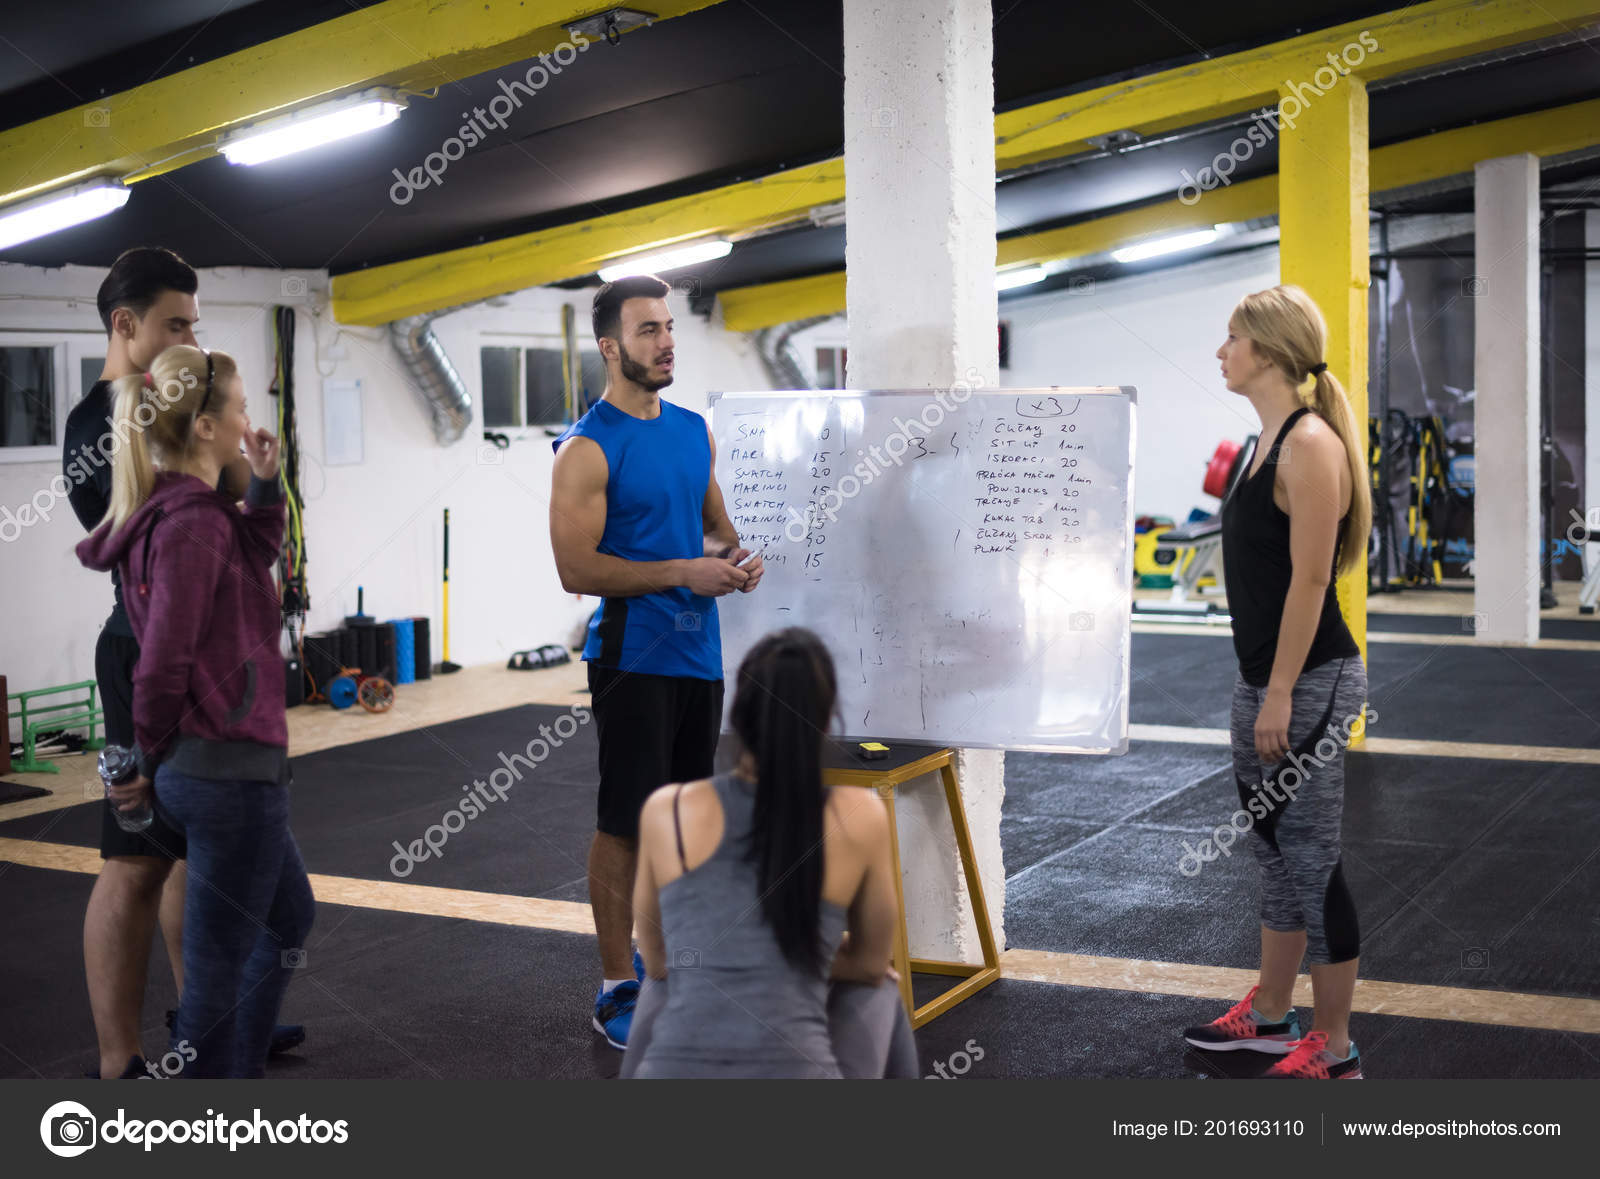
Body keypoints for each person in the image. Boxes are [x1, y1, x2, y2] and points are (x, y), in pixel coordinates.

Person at [63, 248, 301, 1079]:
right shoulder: (110, 433)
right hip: (153, 659)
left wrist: (254, 480)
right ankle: (127, 1056)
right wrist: (142, 755)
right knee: (135, 864)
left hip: (181, 670)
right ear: (125, 326)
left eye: (195, 328)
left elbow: (241, 512)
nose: (190, 339)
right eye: (176, 325)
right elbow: (171, 605)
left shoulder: (188, 477)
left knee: (203, 871)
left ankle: (212, 1012)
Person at [549, 274, 764, 1049]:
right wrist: (682, 572)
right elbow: (578, 570)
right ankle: (615, 985)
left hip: (697, 654)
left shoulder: (692, 430)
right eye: (647, 330)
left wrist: (734, 560)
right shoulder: (586, 448)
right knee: (626, 822)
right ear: (610, 347)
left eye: (669, 327)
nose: (666, 340)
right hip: (633, 656)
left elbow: (714, 530)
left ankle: (664, 966)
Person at [1182, 284, 1372, 1080]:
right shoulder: (1261, 444)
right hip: (1263, 675)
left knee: (1312, 859)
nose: (1220, 351)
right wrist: (1264, 684)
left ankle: (1335, 1049)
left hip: (1310, 676)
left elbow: (1309, 581)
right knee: (1273, 852)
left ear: (1265, 349)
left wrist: (1284, 691)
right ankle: (1269, 1016)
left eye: (1231, 338)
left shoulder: (1311, 445)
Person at [622, 628, 916, 1078]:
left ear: (738, 716)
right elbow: (872, 964)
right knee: (879, 992)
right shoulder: (859, 813)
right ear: (826, 720)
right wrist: (804, 953)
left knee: (660, 990)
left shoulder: (668, 810)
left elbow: (658, 960)